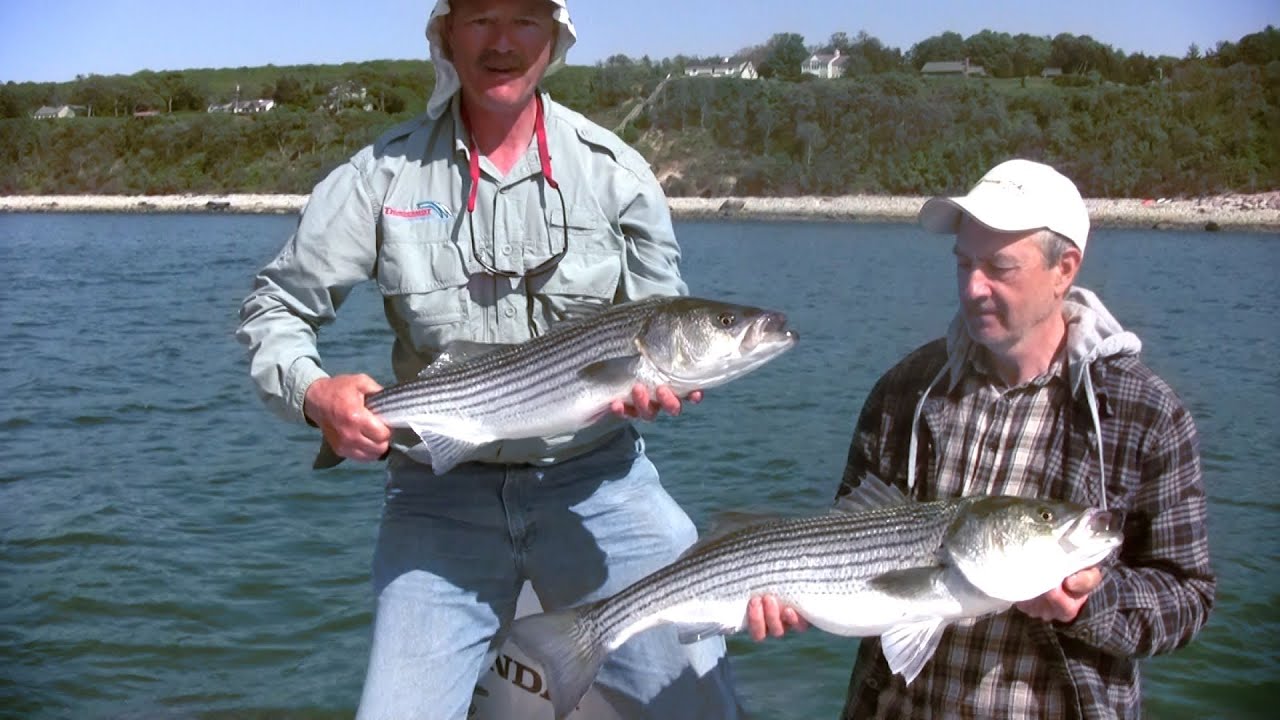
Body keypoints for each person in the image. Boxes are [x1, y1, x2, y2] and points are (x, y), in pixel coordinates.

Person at [235, 1, 742, 718]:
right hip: (438, 500)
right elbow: (274, 306)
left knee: (699, 701)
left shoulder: (617, 174)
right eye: (480, 18)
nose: (502, 42)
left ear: (555, 39)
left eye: (526, 20)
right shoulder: (380, 175)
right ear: (445, 34)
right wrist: (316, 394)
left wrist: (659, 388)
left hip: (600, 485)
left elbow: (667, 316)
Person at [747, 158, 1215, 718]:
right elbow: (846, 539)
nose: (973, 287)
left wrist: (1089, 603)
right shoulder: (904, 391)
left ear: (1064, 268)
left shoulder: (1146, 413)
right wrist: (797, 594)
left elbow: (1187, 596)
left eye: (999, 267)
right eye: (964, 263)